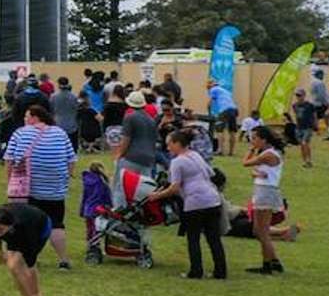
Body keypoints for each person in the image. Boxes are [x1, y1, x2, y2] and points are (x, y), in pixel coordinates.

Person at [147, 127, 226, 280]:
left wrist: (157, 196)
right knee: (213, 238)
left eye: (169, 144)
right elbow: (210, 174)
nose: (167, 147)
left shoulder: (177, 162)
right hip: (212, 199)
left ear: (177, 143)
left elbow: (174, 187)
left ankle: (196, 271)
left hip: (195, 202)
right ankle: (220, 271)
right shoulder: (196, 155)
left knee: (193, 238)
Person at [4, 106, 76, 269]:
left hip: (27, 187)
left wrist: (10, 182)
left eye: (26, 116)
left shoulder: (20, 133)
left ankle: (28, 257)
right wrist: (66, 177)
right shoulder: (60, 133)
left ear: (35, 118)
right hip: (55, 186)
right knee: (56, 222)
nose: (24, 120)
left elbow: (9, 160)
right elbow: (71, 160)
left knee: (27, 223)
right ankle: (63, 259)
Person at [0, 204, 50, 296]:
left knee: (23, 267)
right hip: (17, 227)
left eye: (1, 229)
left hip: (40, 227)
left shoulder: (27, 230)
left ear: (11, 226)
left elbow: (31, 264)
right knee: (12, 267)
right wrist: (0, 251)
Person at [241, 123, 287, 275]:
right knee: (258, 230)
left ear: (264, 139)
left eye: (254, 138)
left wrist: (251, 150)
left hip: (265, 192)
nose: (252, 141)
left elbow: (246, 163)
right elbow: (257, 172)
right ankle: (273, 261)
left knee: (262, 232)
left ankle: (267, 264)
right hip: (264, 190)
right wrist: (256, 173)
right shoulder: (269, 153)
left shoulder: (268, 154)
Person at [112, 90, 160, 206]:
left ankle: (119, 210)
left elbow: (126, 139)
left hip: (132, 157)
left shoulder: (130, 117)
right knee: (142, 189)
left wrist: (119, 155)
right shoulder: (151, 120)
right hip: (148, 159)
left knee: (120, 186)